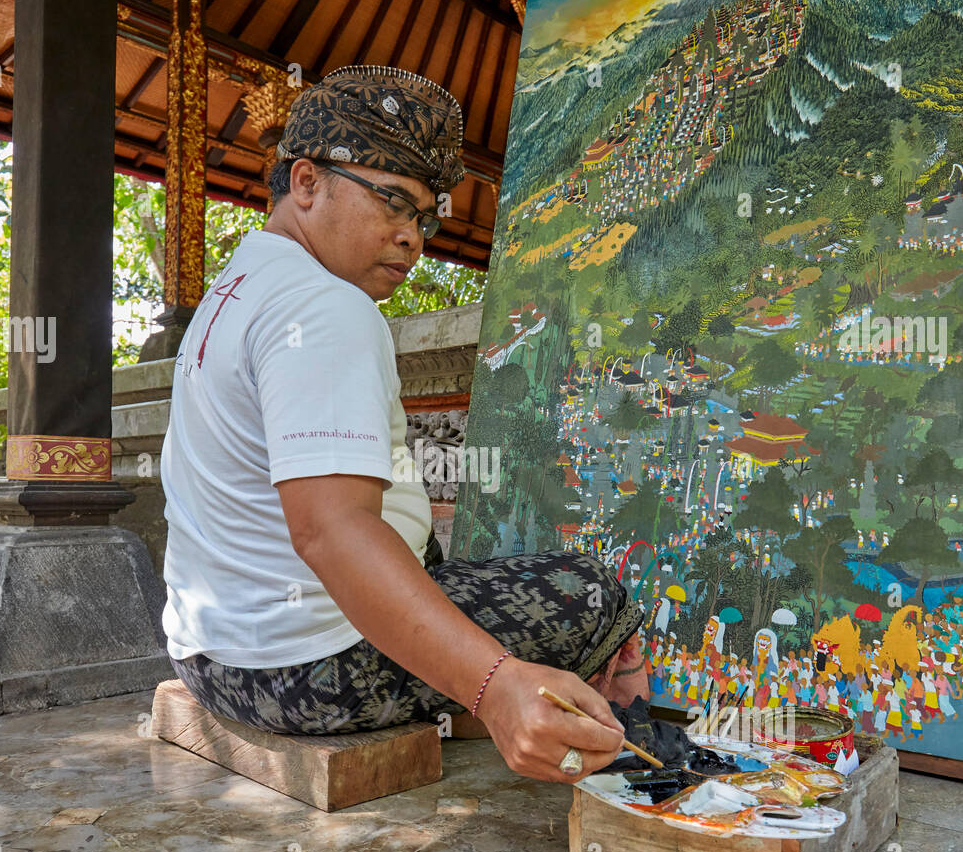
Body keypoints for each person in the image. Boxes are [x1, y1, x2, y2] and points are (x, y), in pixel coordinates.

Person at [160, 65, 643, 785]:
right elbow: (331, 531)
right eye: (392, 202)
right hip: (302, 674)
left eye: (424, 217)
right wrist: (497, 686)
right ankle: (614, 733)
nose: (412, 237)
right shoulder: (325, 308)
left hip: (211, 660)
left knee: (436, 562)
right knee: (592, 590)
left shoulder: (237, 288)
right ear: (305, 182)